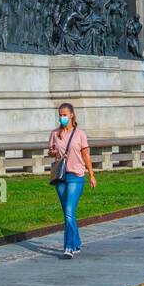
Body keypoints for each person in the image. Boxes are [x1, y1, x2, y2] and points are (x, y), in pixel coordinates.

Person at [49, 102, 96, 258]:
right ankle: (76, 242)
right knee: (67, 213)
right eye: (60, 115)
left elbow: (86, 155)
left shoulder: (80, 134)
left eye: (64, 115)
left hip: (76, 176)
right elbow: (51, 153)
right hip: (60, 176)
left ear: (71, 115)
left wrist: (91, 174)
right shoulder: (55, 134)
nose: (62, 117)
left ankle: (68, 247)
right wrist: (52, 152)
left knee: (69, 211)